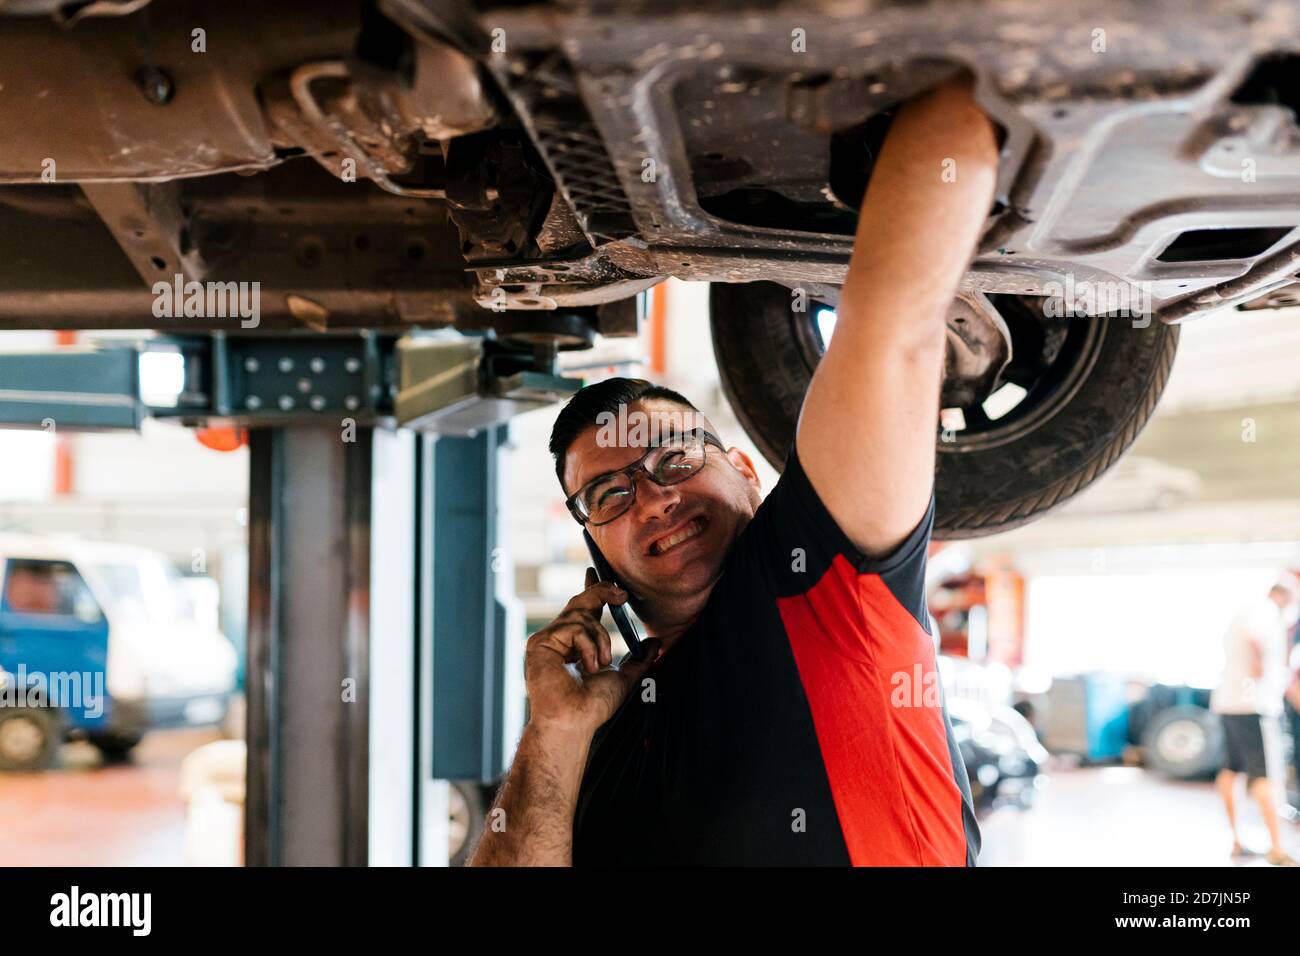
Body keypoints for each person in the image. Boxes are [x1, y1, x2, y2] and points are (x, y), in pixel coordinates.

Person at [468, 75, 998, 866]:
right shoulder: (598, 729)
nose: (652, 497)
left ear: (746, 470)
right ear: (595, 559)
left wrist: (955, 94)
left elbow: (898, 331)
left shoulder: (824, 578)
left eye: (675, 457)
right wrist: (556, 730)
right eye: (610, 493)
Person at [1210, 576, 1300, 866]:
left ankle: (1237, 839)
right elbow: (1254, 639)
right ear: (1285, 595)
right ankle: (1276, 847)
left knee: (1231, 768)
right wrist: (1260, 668)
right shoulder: (1265, 612)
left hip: (1230, 702)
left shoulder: (1249, 610)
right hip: (1254, 705)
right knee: (1266, 775)